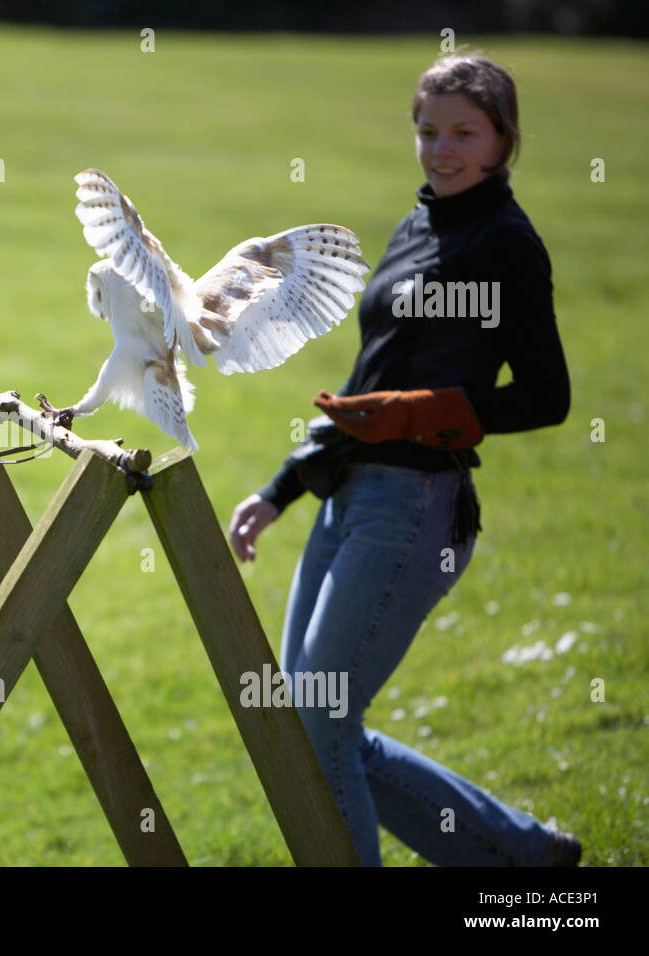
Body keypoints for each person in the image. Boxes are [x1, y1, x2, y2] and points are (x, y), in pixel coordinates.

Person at [227, 54, 579, 866]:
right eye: (428, 131)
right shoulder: (418, 223)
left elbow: (548, 395)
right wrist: (282, 489)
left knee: (320, 725)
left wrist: (432, 413)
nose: (441, 149)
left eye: (464, 133)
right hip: (346, 496)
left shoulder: (507, 244)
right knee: (309, 720)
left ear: (502, 141)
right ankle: (521, 858)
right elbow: (367, 383)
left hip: (417, 507)